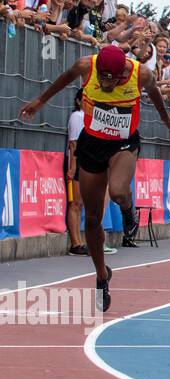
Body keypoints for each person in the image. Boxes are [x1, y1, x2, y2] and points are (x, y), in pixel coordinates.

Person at [20, 45, 170, 311]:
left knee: (117, 191)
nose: (105, 82)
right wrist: (39, 101)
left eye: (110, 78)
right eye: (101, 77)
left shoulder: (142, 75)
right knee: (92, 219)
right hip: (92, 143)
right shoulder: (85, 66)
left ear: (123, 72)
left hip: (124, 143)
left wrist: (166, 118)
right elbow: (63, 80)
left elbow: (156, 95)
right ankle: (102, 276)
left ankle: (129, 211)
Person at [64, 87, 87, 256]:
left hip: (86, 163)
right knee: (75, 204)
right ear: (79, 101)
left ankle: (80, 241)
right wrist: (72, 168)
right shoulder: (77, 117)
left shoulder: (88, 118)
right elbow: (73, 144)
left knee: (80, 205)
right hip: (77, 163)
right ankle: (75, 243)